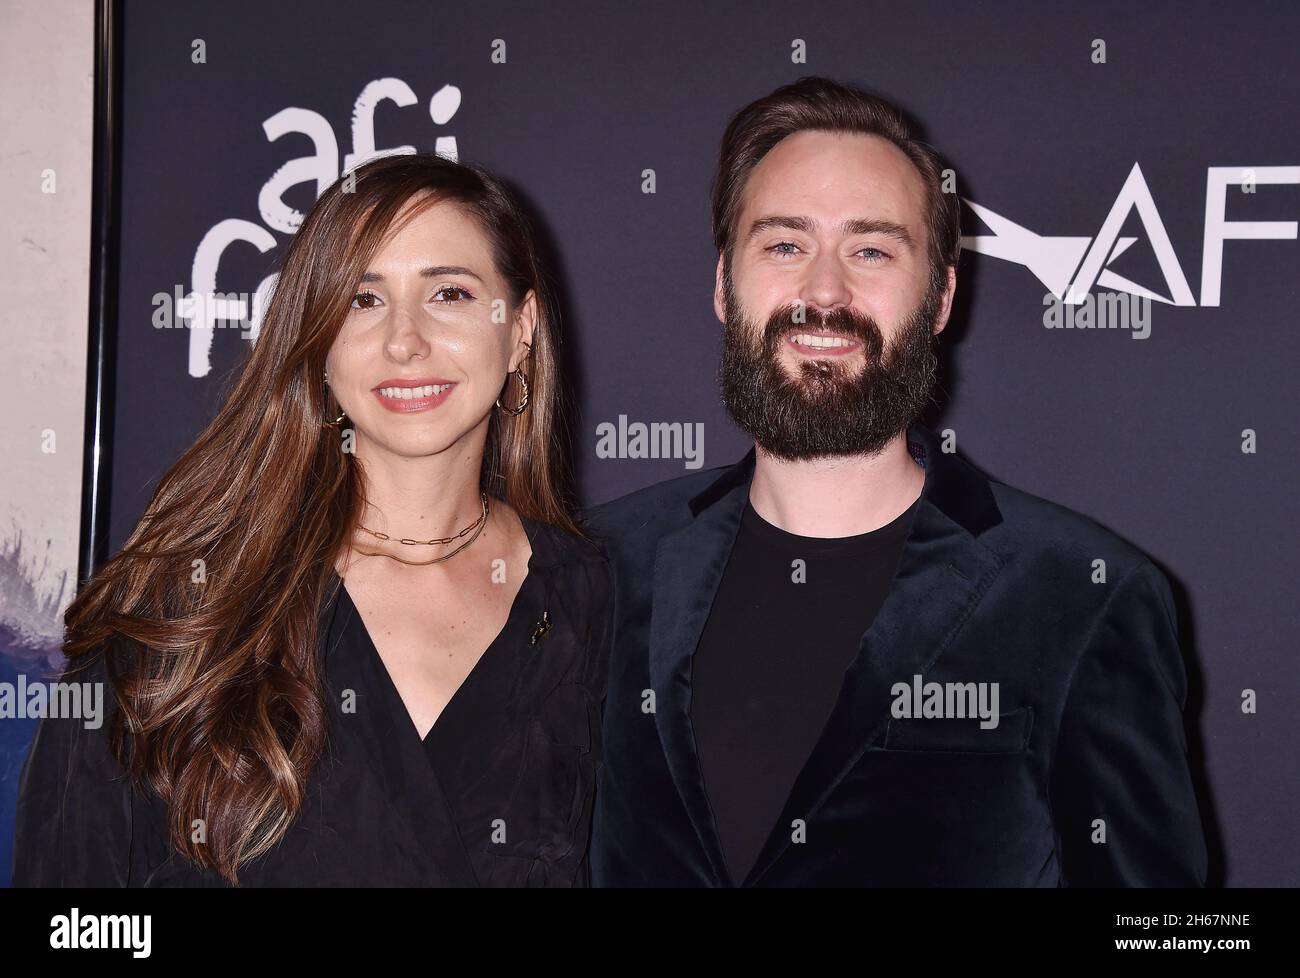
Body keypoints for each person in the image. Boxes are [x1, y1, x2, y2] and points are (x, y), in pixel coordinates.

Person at [584, 77, 1209, 887]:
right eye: (784, 245)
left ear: (941, 296)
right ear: (721, 284)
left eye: (872, 249)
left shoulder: (1083, 597)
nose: (823, 293)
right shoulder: (600, 567)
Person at [11, 152, 611, 887]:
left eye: (449, 293)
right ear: (317, 340)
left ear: (519, 328)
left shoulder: (598, 607)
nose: (404, 340)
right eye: (363, 300)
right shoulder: (176, 616)